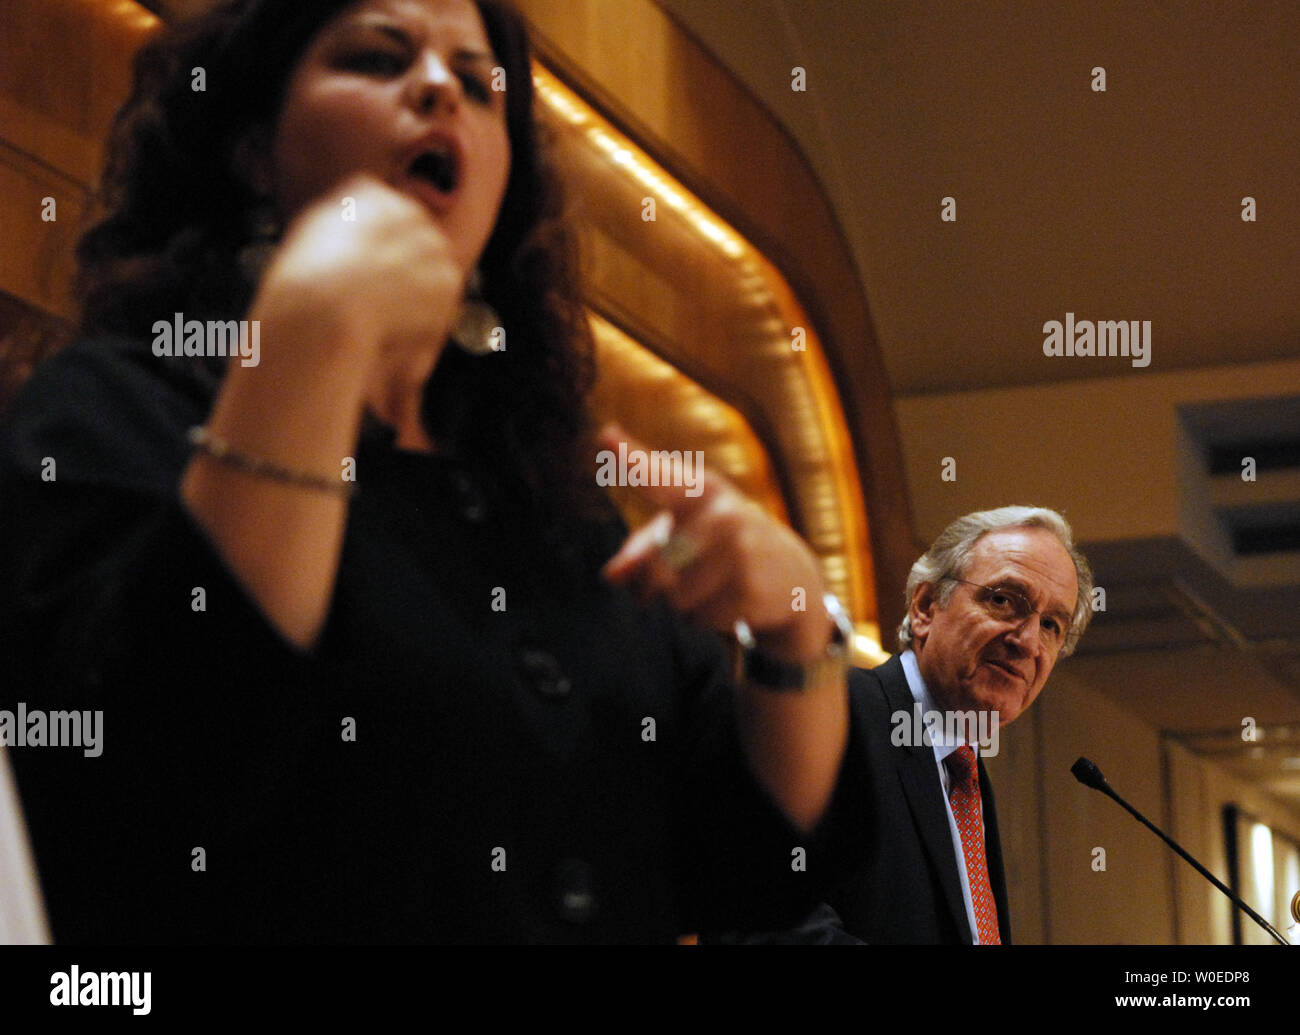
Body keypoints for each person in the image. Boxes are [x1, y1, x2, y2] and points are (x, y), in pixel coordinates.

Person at [0, 0, 864, 943]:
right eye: (377, 57)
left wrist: (792, 633)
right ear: (254, 150)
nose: (439, 87)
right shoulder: (108, 410)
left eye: (479, 81)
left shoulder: (552, 497)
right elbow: (129, 798)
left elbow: (749, 869)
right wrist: (312, 338)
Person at [826, 505, 1094, 944]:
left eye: (1050, 625)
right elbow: (763, 919)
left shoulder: (963, 771)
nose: (1027, 642)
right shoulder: (839, 712)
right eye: (1003, 600)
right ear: (926, 607)